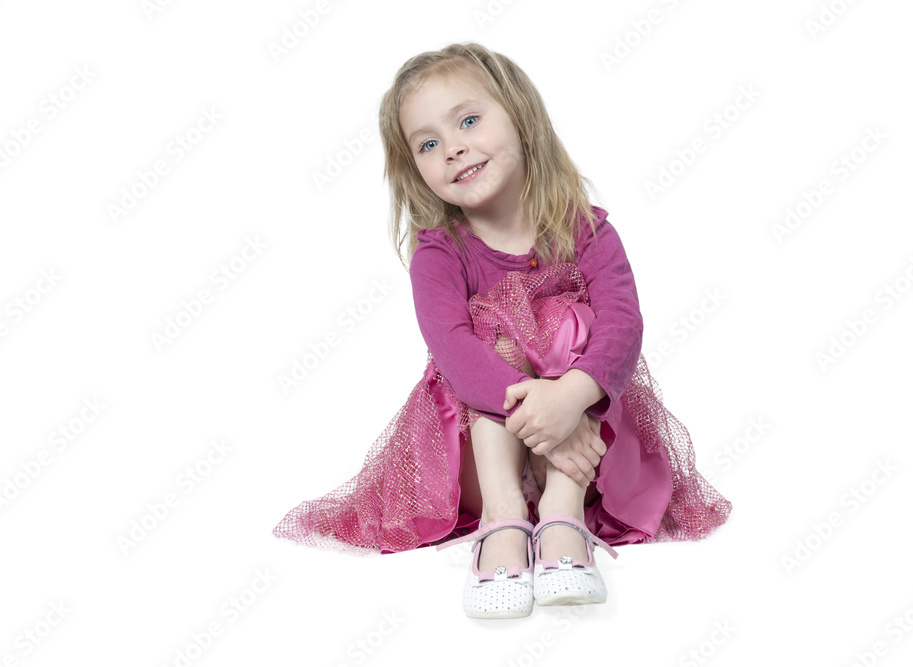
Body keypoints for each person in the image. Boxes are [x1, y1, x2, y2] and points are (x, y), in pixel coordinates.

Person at [273, 42, 731, 619]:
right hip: (478, 461)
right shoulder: (439, 253)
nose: (452, 147)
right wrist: (545, 415)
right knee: (496, 332)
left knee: (571, 320)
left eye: (468, 121)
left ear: (519, 116)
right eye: (428, 144)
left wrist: (569, 400)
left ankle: (561, 516)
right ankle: (505, 518)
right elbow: (454, 352)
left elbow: (624, 324)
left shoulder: (585, 229)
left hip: (589, 456)